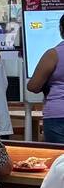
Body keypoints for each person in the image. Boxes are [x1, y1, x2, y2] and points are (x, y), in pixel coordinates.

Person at [26, 15, 64, 144]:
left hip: (58, 114)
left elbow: (33, 86)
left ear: (61, 29)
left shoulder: (53, 54)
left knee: (58, 159)